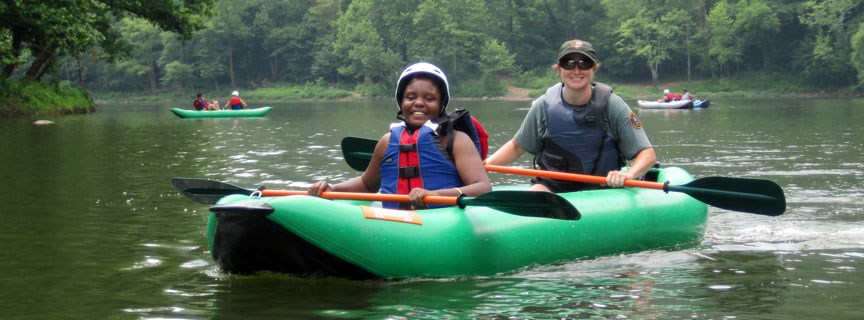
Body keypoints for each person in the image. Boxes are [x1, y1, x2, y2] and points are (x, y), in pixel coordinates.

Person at [307, 62, 491, 209]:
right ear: (401, 103)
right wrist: (332, 189)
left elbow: (482, 187)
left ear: (441, 105)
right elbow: (367, 185)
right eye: (410, 97)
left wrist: (435, 195)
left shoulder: (456, 140)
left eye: (429, 98)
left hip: (442, 219)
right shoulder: (387, 142)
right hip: (395, 221)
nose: (419, 103)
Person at [484, 39, 657, 192]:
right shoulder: (542, 106)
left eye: (584, 63)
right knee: (536, 193)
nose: (576, 70)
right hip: (552, 188)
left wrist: (628, 174)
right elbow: (517, 146)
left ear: (594, 69)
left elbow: (647, 154)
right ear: (559, 68)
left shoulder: (613, 105)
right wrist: (484, 166)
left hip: (602, 190)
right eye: (569, 63)